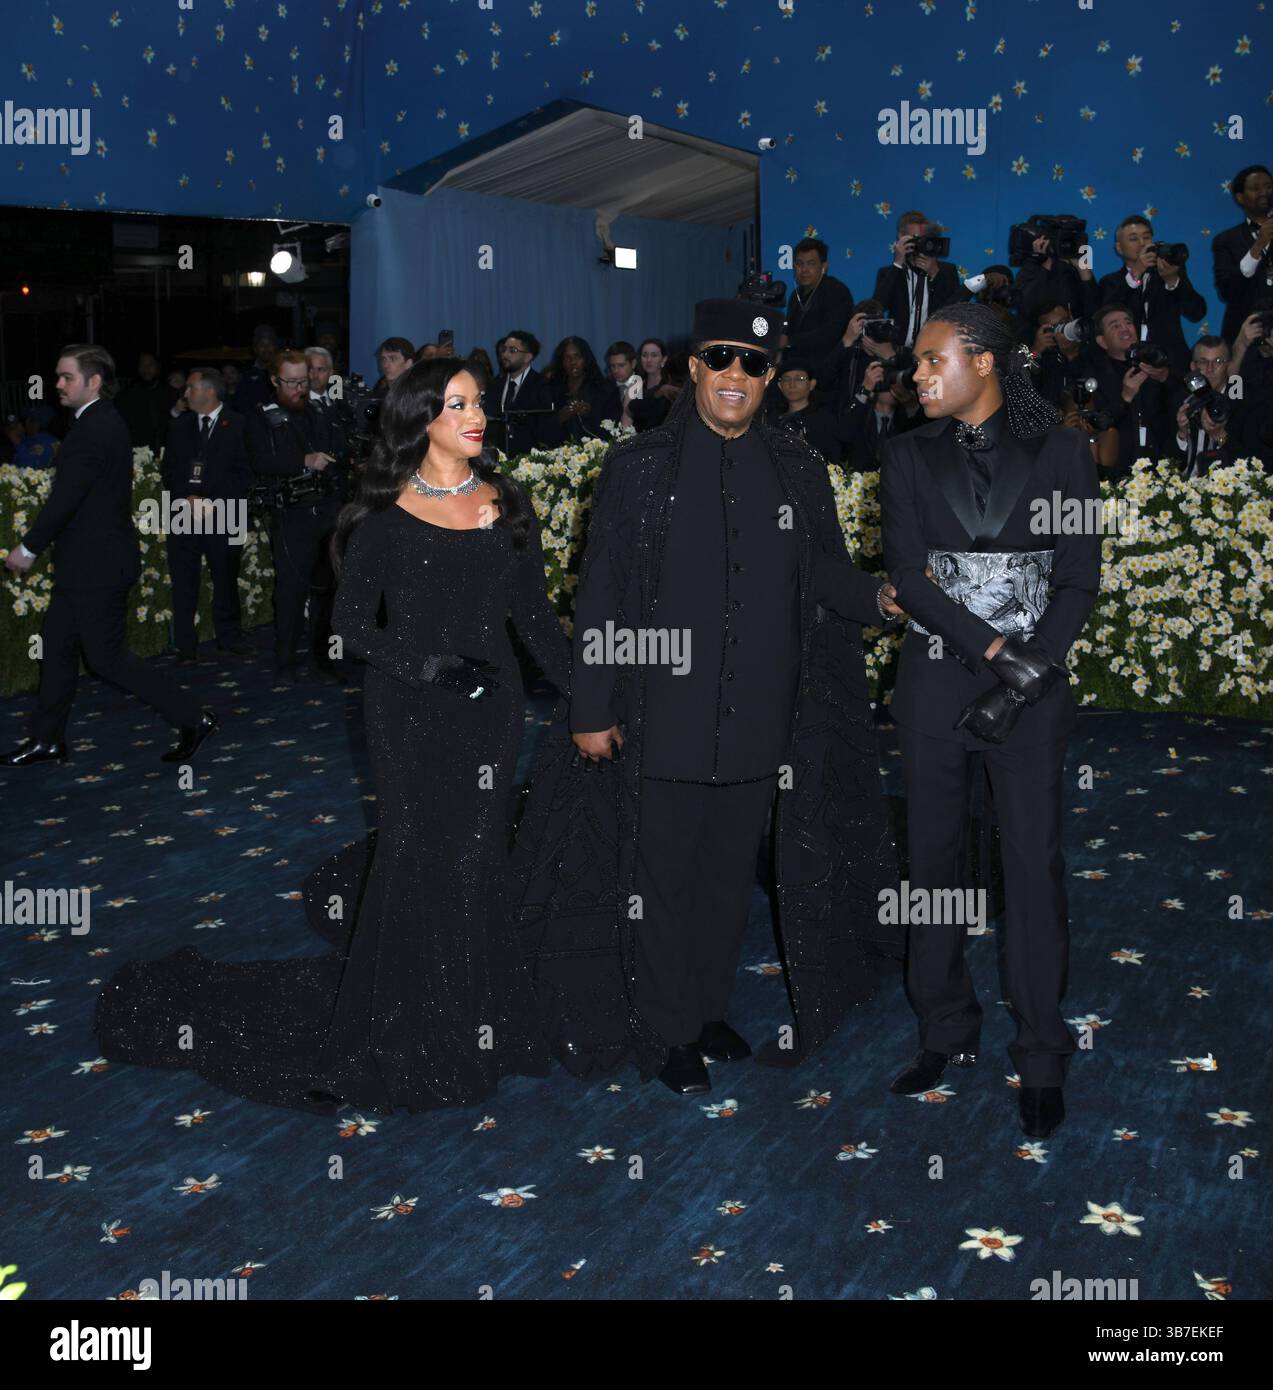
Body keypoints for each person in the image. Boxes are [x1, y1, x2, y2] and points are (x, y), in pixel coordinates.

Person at [94, 359, 573, 1115]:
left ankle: (478, 1019)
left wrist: (592, 697)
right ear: (419, 419)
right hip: (408, 712)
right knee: (414, 854)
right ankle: (390, 1029)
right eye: (458, 405)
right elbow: (345, 628)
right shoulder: (382, 513)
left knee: (476, 857)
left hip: (490, 710)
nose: (476, 417)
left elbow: (535, 616)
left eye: (478, 403)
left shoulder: (504, 502)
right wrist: (429, 664)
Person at [518, 297, 906, 1096]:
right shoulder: (637, 470)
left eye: (755, 364)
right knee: (660, 881)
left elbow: (824, 575)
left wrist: (882, 599)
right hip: (664, 715)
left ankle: (703, 1009)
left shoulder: (798, 470)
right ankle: (665, 1033)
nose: (737, 375)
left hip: (764, 719)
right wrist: (591, 709)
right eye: (722, 358)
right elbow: (600, 598)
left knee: (728, 877)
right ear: (694, 366)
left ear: (769, 379)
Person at [878, 303, 1101, 1140]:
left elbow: (1079, 576)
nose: (917, 376)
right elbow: (909, 577)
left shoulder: (1066, 451)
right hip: (934, 692)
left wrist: (1024, 676)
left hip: (1033, 698)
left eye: (932, 360)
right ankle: (944, 1029)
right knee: (932, 868)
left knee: (1033, 870)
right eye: (915, 364)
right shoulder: (902, 455)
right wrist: (998, 652)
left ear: (983, 361)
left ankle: (1042, 1053)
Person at [1, 345, 217, 768]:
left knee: (107, 658)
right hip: (87, 564)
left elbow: (67, 498)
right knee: (56, 648)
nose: (58, 385)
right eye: (57, 377)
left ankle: (195, 717)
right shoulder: (97, 422)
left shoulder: (94, 428)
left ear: (93, 381)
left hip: (96, 568)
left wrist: (28, 547)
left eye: (66, 378)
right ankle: (47, 739)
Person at [244, 350, 346, 686]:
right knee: (291, 590)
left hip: (327, 511)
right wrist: (304, 460)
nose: (299, 388)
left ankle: (325, 659)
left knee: (329, 590)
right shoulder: (261, 416)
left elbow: (337, 451)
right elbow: (260, 461)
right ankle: (285, 661)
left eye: (304, 380)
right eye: (292, 382)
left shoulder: (321, 410)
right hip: (291, 515)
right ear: (275, 380)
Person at [161, 368, 253, 662]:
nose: (184, 394)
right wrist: (187, 497)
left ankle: (229, 637)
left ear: (209, 391)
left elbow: (246, 473)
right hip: (183, 511)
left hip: (225, 511)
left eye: (190, 388)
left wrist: (212, 501)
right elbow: (170, 471)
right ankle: (185, 644)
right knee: (183, 579)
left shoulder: (240, 424)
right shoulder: (180, 426)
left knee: (225, 576)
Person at [1097, 216, 1206, 374]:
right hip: (1126, 365)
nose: (1142, 243)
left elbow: (1197, 312)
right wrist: (1136, 273)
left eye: (1146, 237)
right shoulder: (1111, 282)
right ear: (1119, 248)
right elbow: (1106, 317)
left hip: (1171, 365)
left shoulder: (1170, 271)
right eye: (1133, 239)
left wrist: (1173, 281)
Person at [873, 211, 969, 347]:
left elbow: (952, 310)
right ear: (901, 238)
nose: (920, 243)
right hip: (897, 349)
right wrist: (898, 263)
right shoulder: (889, 272)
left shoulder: (946, 271)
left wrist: (935, 274)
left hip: (933, 347)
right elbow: (879, 306)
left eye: (924, 238)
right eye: (915, 238)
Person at [779, 237, 855, 386]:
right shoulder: (795, 296)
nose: (804, 270)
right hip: (799, 378)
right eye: (799, 264)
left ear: (824, 266)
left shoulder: (836, 291)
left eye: (811, 264)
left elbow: (831, 334)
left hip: (828, 376)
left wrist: (789, 341)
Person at [1213, 164, 1273, 347]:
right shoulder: (1226, 241)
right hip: (1244, 338)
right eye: (1255, 188)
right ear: (1240, 197)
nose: (1264, 192)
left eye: (1268, 186)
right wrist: (1258, 245)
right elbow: (1227, 290)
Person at [540, 337, 622, 446]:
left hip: (596, 454)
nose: (573, 362)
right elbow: (541, 432)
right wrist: (559, 418)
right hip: (560, 456)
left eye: (577, 357)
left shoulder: (605, 389)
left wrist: (590, 414)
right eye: (567, 358)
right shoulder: (551, 390)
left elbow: (613, 428)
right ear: (562, 362)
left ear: (586, 359)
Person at [488, 330, 554, 458]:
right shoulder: (495, 385)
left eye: (512, 350)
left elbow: (546, 429)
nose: (505, 355)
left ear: (528, 357)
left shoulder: (543, 386)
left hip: (530, 461)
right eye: (504, 349)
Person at [233, 326, 282, 413]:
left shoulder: (285, 371)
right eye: (262, 345)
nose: (266, 348)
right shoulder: (246, 376)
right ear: (255, 349)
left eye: (270, 344)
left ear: (275, 347)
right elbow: (240, 406)